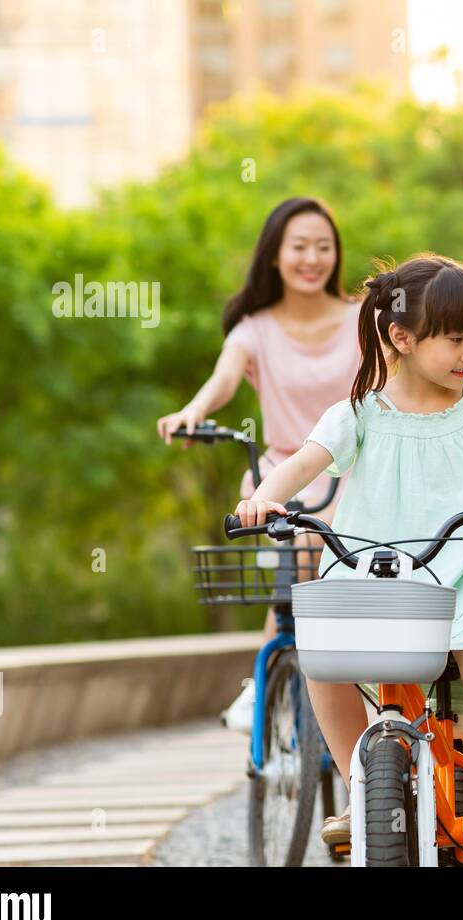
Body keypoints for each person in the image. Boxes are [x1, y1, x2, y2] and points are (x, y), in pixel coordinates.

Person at [234, 254, 463, 852]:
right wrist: (263, 501)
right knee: (322, 654)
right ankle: (360, 785)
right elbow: (303, 463)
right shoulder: (360, 412)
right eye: (456, 338)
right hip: (381, 577)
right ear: (402, 337)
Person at [157, 196, 361, 659]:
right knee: (297, 572)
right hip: (286, 474)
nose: (312, 259)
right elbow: (224, 379)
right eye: (299, 247)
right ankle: (268, 683)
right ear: (274, 254)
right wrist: (194, 410)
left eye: (323, 247)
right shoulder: (255, 328)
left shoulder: (360, 319)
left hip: (353, 473)